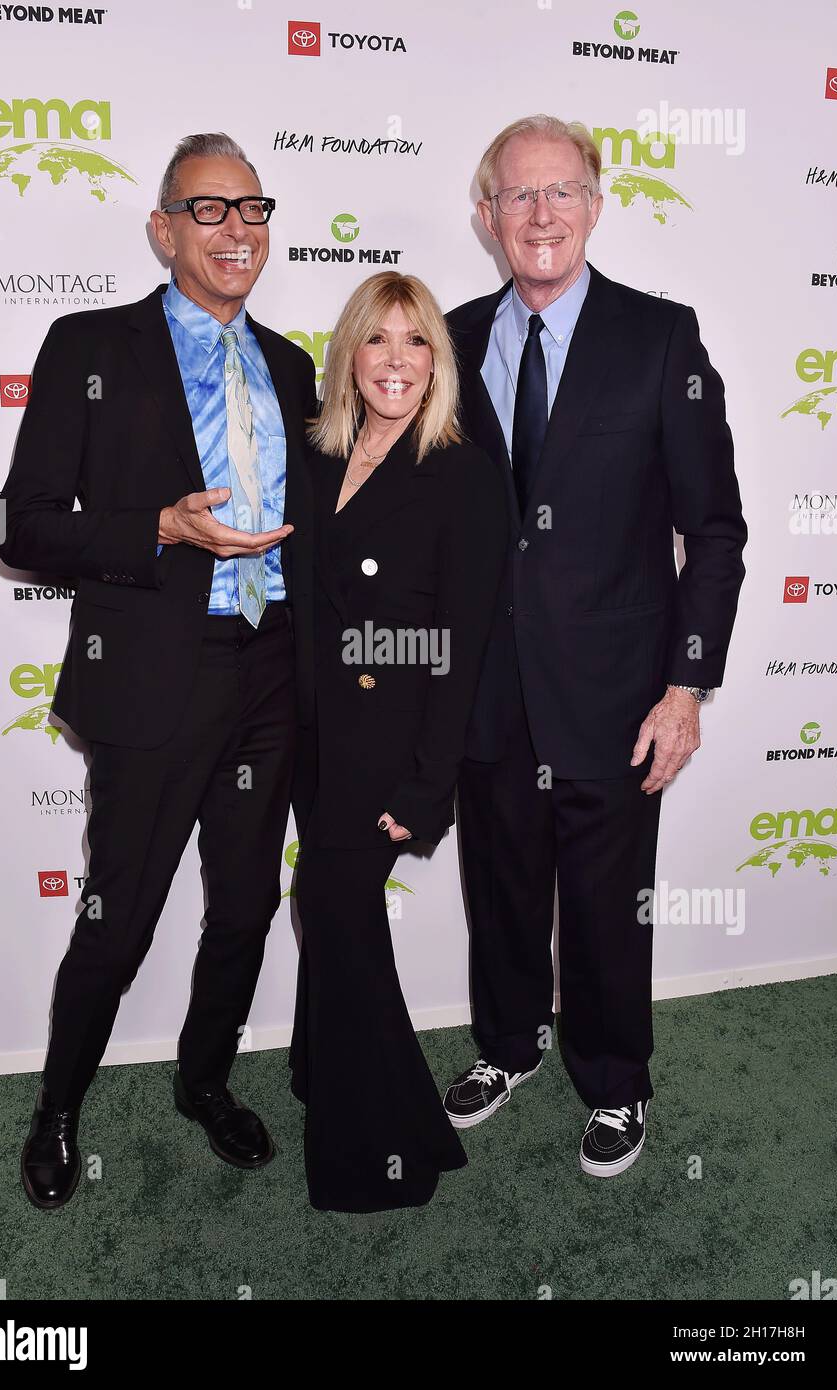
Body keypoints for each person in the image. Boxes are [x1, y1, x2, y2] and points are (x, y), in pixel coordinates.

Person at [0, 132, 317, 1210]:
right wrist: (162, 529)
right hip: (150, 680)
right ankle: (57, 1107)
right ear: (164, 229)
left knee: (242, 909)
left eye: (254, 208)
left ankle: (203, 1078)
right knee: (118, 913)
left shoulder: (290, 364)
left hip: (270, 676)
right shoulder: (89, 343)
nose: (239, 230)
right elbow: (25, 530)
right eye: (211, 210)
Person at [443, 115, 747, 1176]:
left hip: (620, 695)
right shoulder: (447, 336)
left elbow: (713, 529)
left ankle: (616, 1080)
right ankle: (506, 1044)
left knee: (610, 910)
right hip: (486, 692)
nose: (539, 215)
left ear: (596, 203)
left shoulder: (659, 337)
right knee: (501, 887)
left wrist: (686, 685)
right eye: (517, 195)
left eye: (560, 191)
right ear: (486, 214)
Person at [288, 272, 509, 1212]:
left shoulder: (460, 470)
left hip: (390, 742)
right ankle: (315, 1069)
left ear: (437, 363)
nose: (395, 361)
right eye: (376, 340)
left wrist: (426, 786)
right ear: (349, 354)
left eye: (415, 342)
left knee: (338, 915)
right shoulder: (317, 450)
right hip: (308, 731)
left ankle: (390, 1150)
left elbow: (460, 646)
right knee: (327, 915)